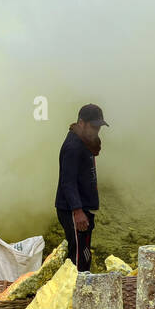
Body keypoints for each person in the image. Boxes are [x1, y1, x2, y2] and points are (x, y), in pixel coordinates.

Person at [55, 103, 108, 271]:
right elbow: (67, 181)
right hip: (73, 210)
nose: (96, 131)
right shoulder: (74, 146)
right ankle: (74, 293)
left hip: (83, 209)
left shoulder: (86, 142)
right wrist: (77, 211)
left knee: (83, 254)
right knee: (78, 257)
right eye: (93, 127)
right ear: (81, 123)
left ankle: (82, 290)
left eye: (99, 127)